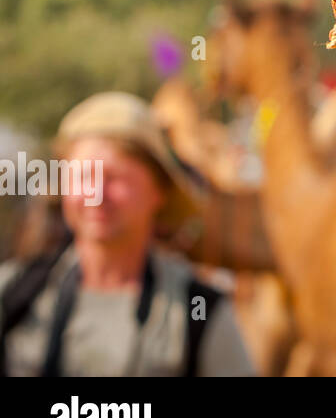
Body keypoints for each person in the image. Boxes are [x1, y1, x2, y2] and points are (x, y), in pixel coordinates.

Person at [0, 92, 254, 376]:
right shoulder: (15, 293)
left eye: (114, 177)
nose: (96, 193)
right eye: (83, 176)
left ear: (159, 190)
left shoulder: (199, 313)